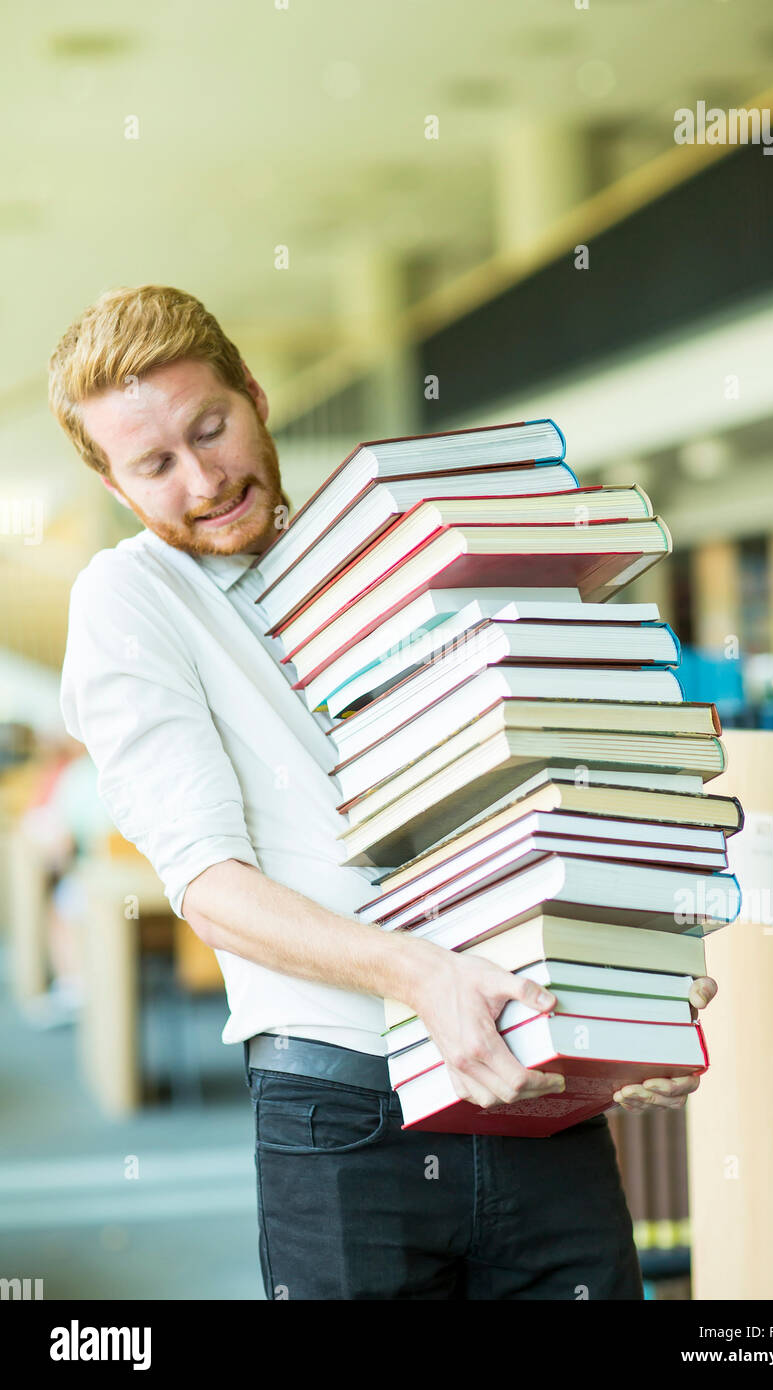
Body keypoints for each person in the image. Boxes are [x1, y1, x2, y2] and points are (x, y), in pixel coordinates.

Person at [50, 284, 717, 1300]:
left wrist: (626, 981)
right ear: (116, 485)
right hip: (347, 1115)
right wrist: (422, 980)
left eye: (210, 427)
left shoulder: (388, 554)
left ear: (256, 396)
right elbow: (210, 885)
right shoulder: (129, 600)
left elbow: (524, 793)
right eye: (155, 465)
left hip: (528, 1086)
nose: (202, 477)